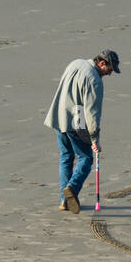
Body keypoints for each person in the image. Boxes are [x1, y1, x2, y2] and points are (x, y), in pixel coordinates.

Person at [44, 50, 120, 214]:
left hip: (58, 117)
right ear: (102, 63)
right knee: (85, 158)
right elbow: (93, 113)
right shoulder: (94, 80)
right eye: (110, 69)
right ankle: (71, 188)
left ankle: (64, 200)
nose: (110, 73)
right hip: (75, 123)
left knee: (66, 156)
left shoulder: (75, 63)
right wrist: (94, 139)